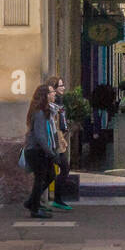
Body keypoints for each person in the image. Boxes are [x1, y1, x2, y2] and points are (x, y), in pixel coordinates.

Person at [23, 82, 57, 219]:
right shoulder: (39, 113)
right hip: (36, 151)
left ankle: (31, 201)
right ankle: (34, 208)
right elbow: (40, 137)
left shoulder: (46, 111)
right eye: (50, 92)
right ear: (44, 96)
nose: (54, 93)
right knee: (40, 178)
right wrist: (51, 153)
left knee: (50, 175)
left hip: (41, 150)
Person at [45, 74, 73, 212]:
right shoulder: (51, 105)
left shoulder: (59, 102)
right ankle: (53, 199)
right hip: (55, 142)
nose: (63, 88)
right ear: (54, 89)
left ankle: (49, 199)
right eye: (61, 85)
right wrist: (61, 139)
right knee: (64, 168)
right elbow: (54, 124)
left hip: (59, 140)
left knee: (50, 172)